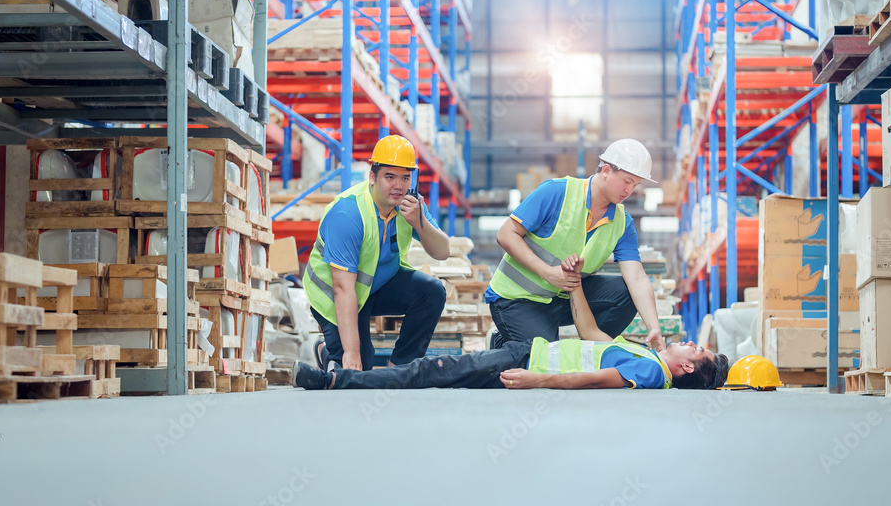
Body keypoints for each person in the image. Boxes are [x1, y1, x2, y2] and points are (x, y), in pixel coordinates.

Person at [292, 255, 730, 391]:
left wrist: (535, 381)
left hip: (530, 360)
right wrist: (573, 283)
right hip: (531, 351)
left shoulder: (652, 371)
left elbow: (592, 377)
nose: (691, 341)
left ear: (688, 368)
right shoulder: (647, 358)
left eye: (696, 349)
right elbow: (593, 336)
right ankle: (348, 377)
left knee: (436, 370)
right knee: (446, 373)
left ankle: (338, 381)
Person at [485, 138, 664, 350]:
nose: (629, 190)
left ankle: (590, 351)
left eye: (635, 184)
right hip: (517, 299)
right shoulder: (556, 192)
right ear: (606, 170)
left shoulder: (622, 222)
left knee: (625, 291)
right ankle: (501, 340)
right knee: (543, 362)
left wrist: (654, 327)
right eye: (627, 181)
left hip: (562, 299)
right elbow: (506, 234)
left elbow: (637, 277)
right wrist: (547, 272)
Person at [303, 135, 451, 371]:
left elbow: (443, 251)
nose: (399, 186)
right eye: (390, 177)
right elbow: (343, 289)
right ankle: (326, 349)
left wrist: (419, 223)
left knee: (432, 291)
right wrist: (352, 354)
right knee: (358, 368)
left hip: (376, 286)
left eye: (405, 177)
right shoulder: (348, 213)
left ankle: (401, 367)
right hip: (335, 292)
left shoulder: (411, 206)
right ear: (373, 177)